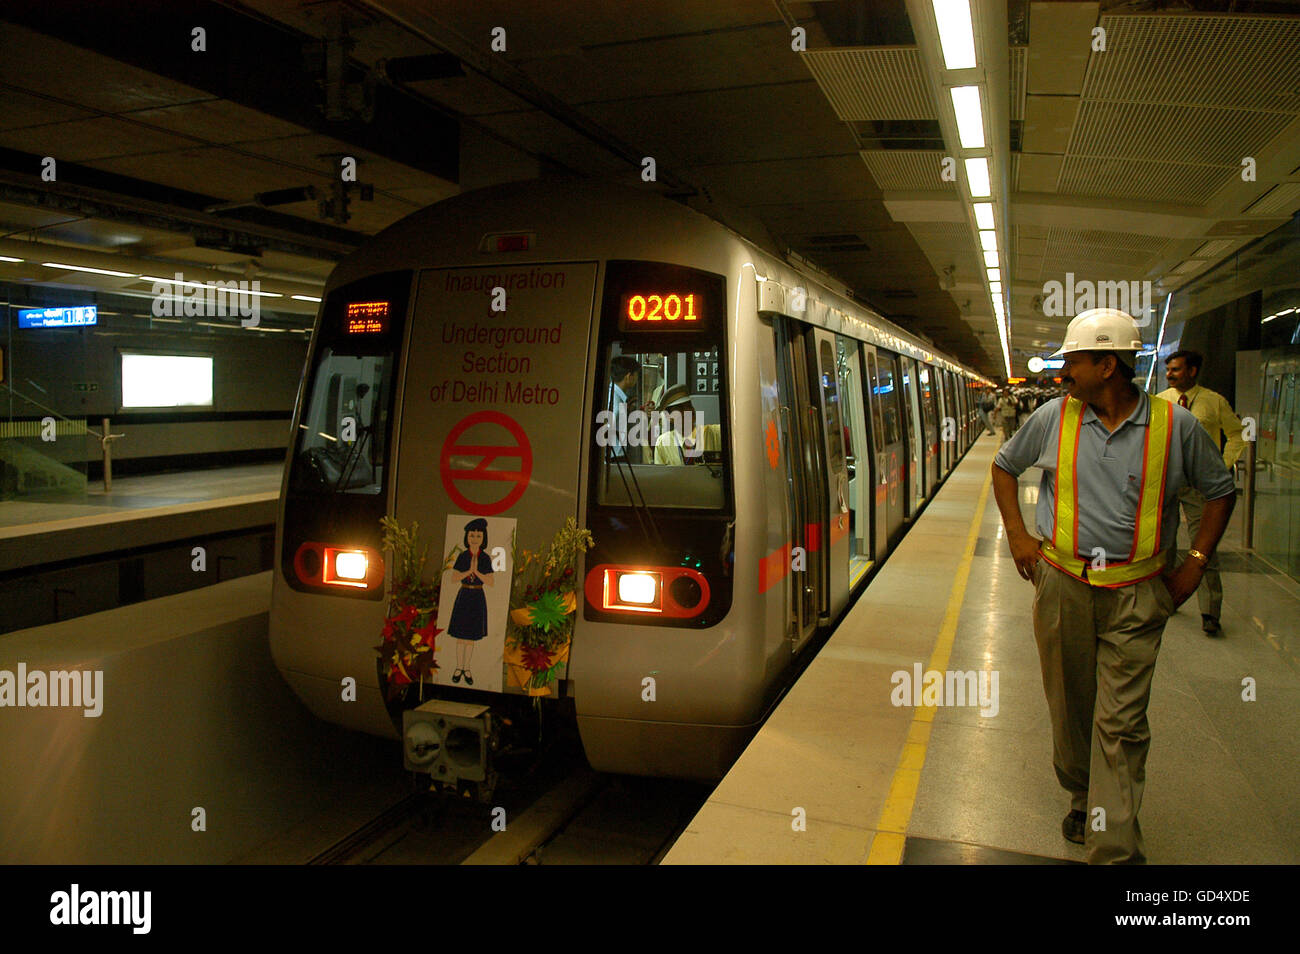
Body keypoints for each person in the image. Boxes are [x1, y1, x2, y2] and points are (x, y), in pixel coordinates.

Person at [991, 308, 1235, 864]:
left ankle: (1116, 852)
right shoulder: (1054, 417)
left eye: (1072, 362)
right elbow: (1005, 467)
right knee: (1070, 708)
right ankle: (1082, 793)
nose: (1063, 374)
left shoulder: (1178, 427)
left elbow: (1220, 490)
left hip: (1139, 595)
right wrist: (1018, 535)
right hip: (1062, 586)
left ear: (1108, 365)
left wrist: (1195, 562)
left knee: (1121, 724)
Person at [1157, 350, 1245, 636]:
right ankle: (1165, 596)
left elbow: (1237, 433)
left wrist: (1222, 465)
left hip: (1199, 486)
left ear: (1193, 371)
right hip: (1168, 480)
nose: (1170, 374)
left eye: (1176, 370)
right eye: (1168, 370)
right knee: (1163, 542)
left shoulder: (1213, 401)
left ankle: (1210, 611)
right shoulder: (1161, 401)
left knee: (1203, 544)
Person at [446, 517, 494, 686]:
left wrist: (477, 572)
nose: (474, 539)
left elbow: (490, 581)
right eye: (472, 536)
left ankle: (467, 668)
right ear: (467, 537)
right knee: (461, 637)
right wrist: (468, 571)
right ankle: (458, 668)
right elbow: (453, 577)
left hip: (477, 597)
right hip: (464, 594)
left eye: (478, 536)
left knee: (471, 637)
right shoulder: (463, 556)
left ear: (483, 538)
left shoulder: (486, 558)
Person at [653, 384, 721, 465]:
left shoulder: (714, 433)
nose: (688, 410)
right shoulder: (663, 443)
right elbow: (661, 476)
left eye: (689, 405)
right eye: (680, 408)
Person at [607, 355, 640, 460]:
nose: (636, 379)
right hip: (614, 459)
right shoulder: (615, 401)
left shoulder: (615, 396)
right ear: (629, 376)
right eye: (636, 375)